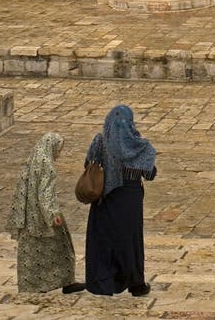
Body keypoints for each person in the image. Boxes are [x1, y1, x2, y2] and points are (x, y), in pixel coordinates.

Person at [84, 104, 157, 297]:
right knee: (130, 241)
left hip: (106, 200)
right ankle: (136, 283)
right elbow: (150, 174)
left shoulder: (101, 142)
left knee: (105, 239)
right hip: (130, 201)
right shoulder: (141, 146)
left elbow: (88, 164)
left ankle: (104, 282)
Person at [6, 132, 85, 295]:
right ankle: (67, 282)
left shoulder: (32, 160)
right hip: (44, 216)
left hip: (29, 217)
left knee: (32, 253)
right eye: (59, 149)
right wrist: (52, 214)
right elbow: (45, 193)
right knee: (63, 248)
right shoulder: (47, 164)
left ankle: (31, 285)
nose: (59, 153)